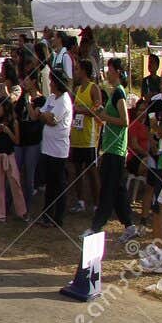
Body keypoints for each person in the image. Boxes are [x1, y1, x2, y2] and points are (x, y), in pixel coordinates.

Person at [84, 58, 139, 240]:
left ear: (116, 71)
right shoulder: (114, 92)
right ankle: (130, 225)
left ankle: (96, 226)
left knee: (107, 189)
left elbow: (125, 121)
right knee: (118, 190)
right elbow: (111, 120)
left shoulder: (119, 94)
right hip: (111, 148)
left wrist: (105, 116)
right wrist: (101, 115)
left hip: (115, 150)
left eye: (109, 69)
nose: (107, 72)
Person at [36, 69, 74, 228]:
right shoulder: (52, 98)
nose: (50, 84)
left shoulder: (64, 101)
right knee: (49, 184)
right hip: (47, 148)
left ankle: (57, 217)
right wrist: (43, 115)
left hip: (58, 151)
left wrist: (43, 115)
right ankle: (47, 215)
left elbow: (52, 120)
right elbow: (41, 115)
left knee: (58, 184)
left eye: (52, 81)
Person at [68, 57, 102, 216]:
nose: (75, 72)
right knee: (77, 170)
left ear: (84, 71)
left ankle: (97, 203)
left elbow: (98, 109)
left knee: (91, 171)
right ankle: (80, 201)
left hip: (89, 137)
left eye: (77, 69)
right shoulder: (76, 89)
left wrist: (81, 110)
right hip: (76, 135)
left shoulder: (93, 88)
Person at [0, 94, 26, 222]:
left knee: (15, 183)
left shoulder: (14, 122)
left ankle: (22, 212)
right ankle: (0, 214)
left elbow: (17, 141)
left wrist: (8, 131)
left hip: (9, 156)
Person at [14, 71, 44, 213]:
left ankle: (27, 207)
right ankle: (11, 204)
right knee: (15, 172)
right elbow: (15, 114)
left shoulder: (41, 100)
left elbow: (33, 117)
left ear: (33, 81)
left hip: (33, 142)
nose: (23, 83)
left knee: (29, 176)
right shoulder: (21, 98)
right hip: (20, 141)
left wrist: (27, 101)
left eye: (26, 80)